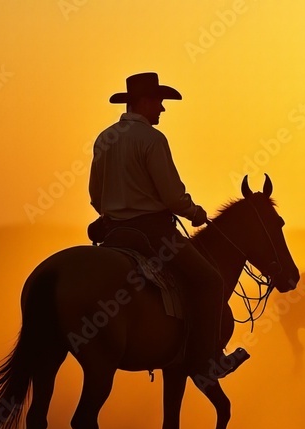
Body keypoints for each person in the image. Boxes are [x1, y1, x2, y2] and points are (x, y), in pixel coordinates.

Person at [88, 72, 249, 378]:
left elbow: (96, 194)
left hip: (114, 231)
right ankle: (210, 359)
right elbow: (172, 196)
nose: (162, 109)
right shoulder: (152, 139)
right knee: (211, 281)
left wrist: (113, 212)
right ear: (145, 102)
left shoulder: (104, 138)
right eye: (159, 102)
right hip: (153, 234)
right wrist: (195, 213)